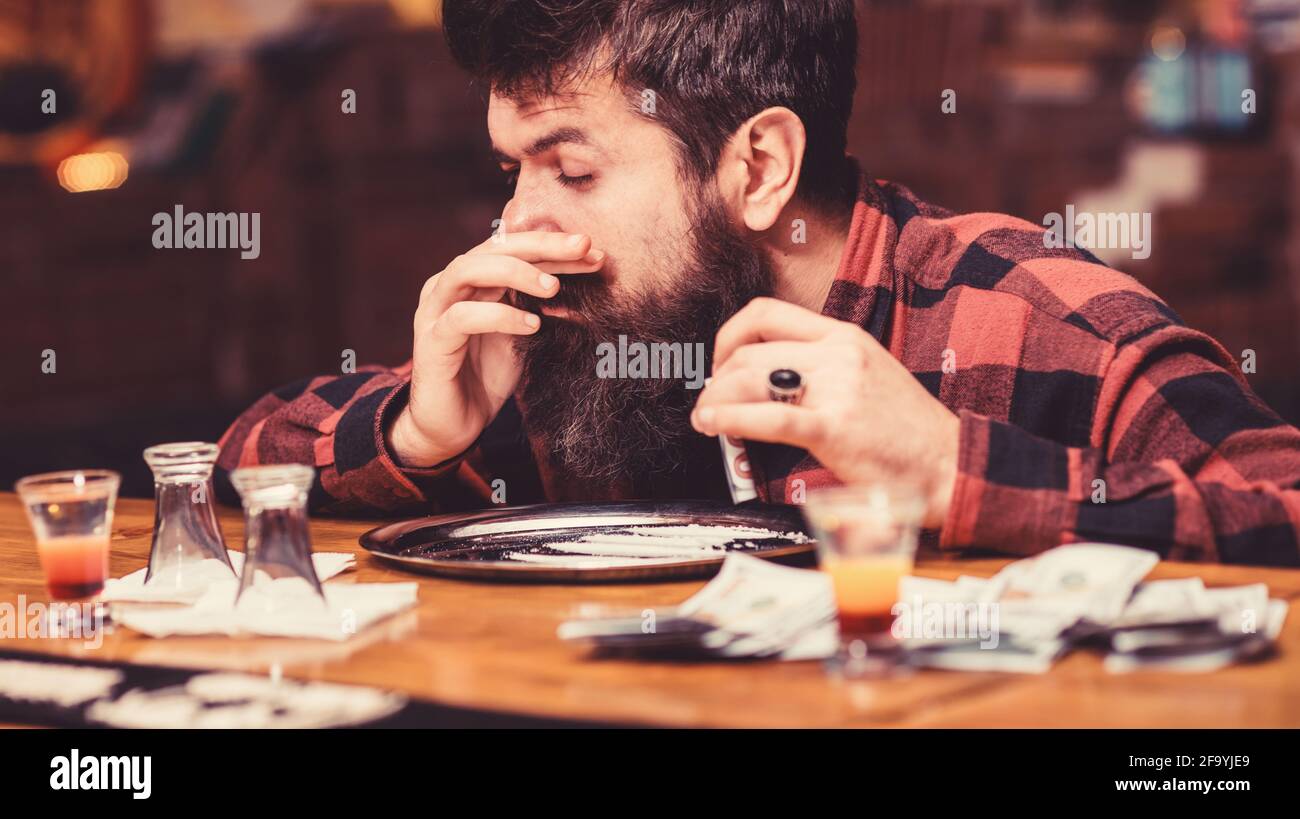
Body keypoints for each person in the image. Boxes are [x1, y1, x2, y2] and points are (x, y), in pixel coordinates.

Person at [218, 0, 1300, 565]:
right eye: (513, 170)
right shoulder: (570, 328)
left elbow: (1282, 511)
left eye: (572, 169)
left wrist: (947, 467)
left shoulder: (1019, 311)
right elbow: (229, 478)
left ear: (758, 166)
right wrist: (416, 431)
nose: (517, 222)